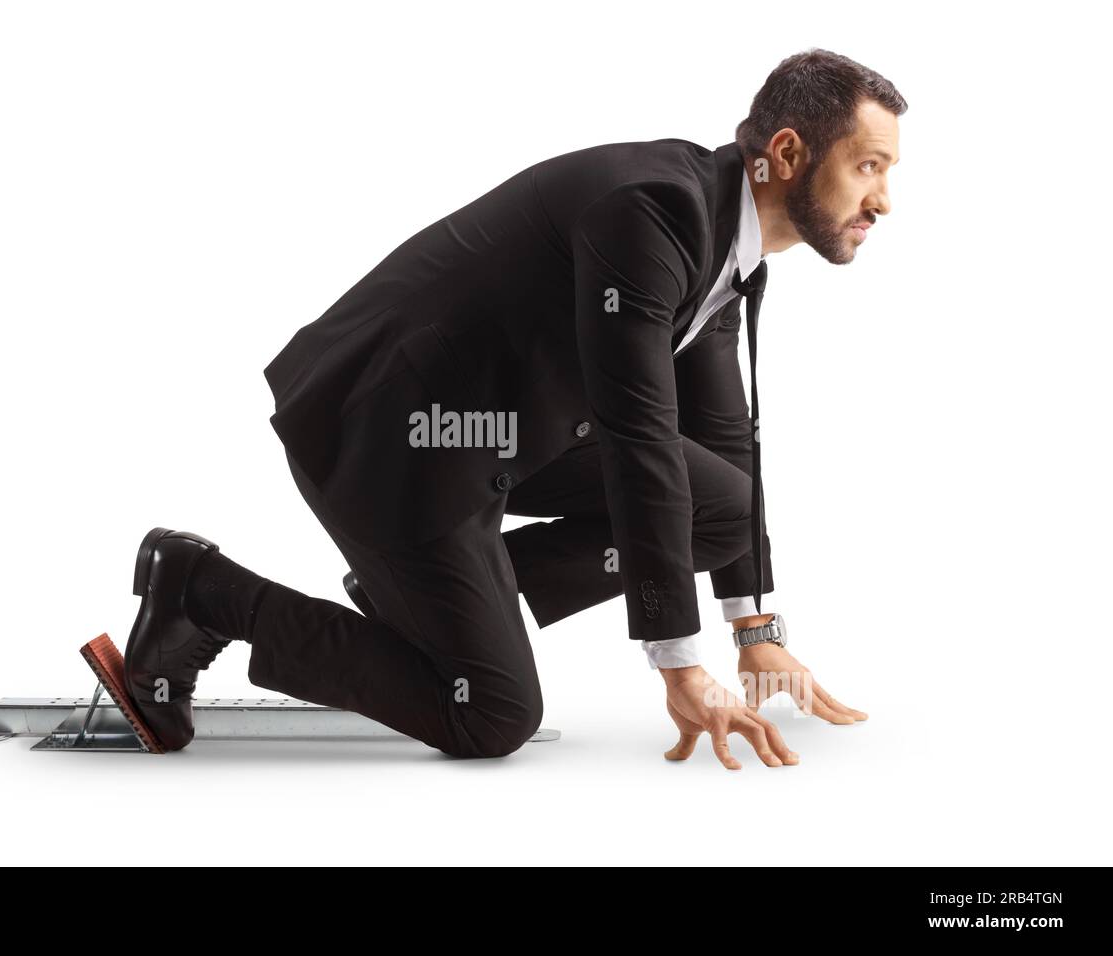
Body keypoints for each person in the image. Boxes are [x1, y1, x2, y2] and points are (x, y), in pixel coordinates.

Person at [122, 48, 901, 767]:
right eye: (868, 166)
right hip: (387, 436)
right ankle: (203, 590)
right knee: (492, 716)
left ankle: (431, 602)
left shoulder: (718, 238)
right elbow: (640, 438)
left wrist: (754, 628)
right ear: (790, 153)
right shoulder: (655, 214)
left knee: (724, 506)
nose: (884, 200)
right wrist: (679, 661)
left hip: (494, 432)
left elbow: (722, 435)